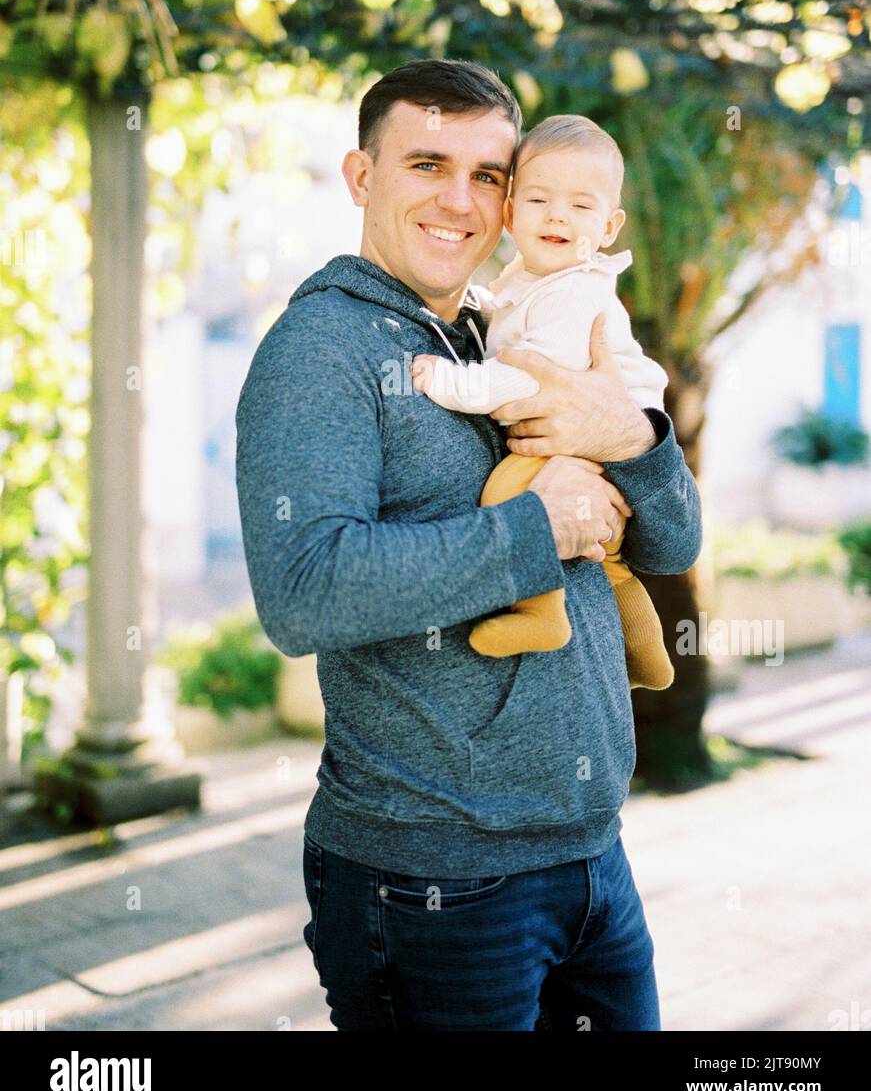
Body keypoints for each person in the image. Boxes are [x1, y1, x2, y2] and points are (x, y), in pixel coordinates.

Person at [235, 59, 702, 1031]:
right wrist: (541, 528)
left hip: (590, 859)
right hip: (433, 885)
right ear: (361, 176)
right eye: (426, 163)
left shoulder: (505, 334)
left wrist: (632, 438)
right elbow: (303, 591)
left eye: (488, 174)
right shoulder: (319, 353)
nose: (460, 199)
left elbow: (674, 538)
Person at [410, 112, 674, 690]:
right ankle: (650, 661)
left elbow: (526, 379)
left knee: (506, 492)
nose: (557, 215)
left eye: (581, 206)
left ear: (609, 225)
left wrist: (454, 383)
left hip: (595, 442)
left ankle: (541, 613)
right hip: (589, 441)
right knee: (613, 565)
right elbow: (502, 315)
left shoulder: (576, 293)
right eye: (538, 200)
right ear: (510, 213)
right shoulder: (525, 279)